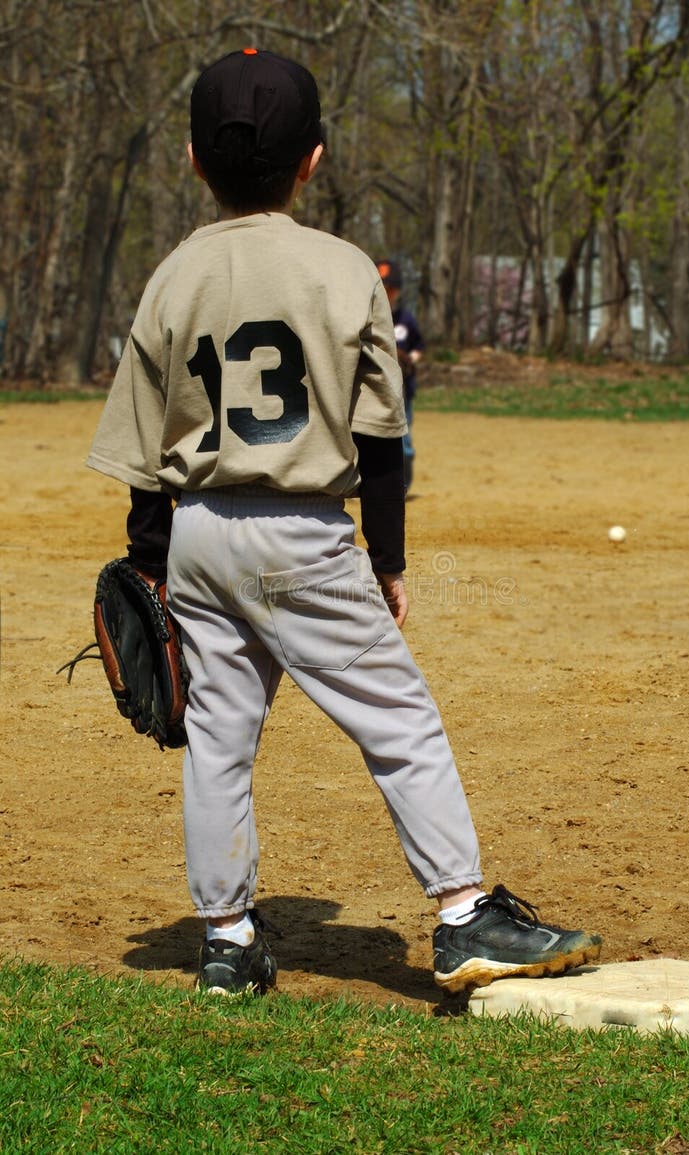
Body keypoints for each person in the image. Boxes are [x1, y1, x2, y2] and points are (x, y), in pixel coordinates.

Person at [86, 47, 602, 997]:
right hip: (303, 537)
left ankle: (229, 941)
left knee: (218, 742)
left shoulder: (171, 275)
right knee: (399, 720)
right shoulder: (345, 269)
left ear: (195, 163)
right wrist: (390, 558)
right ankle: (460, 915)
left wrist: (152, 563)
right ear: (312, 160)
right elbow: (382, 441)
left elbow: (146, 458)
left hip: (198, 530)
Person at [375, 259, 423, 494]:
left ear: (398, 291)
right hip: (376, 389)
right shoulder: (369, 318)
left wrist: (411, 359)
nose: (386, 293)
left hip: (403, 391)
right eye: (382, 288)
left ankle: (403, 479)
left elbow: (418, 345)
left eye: (390, 289)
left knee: (403, 439)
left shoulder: (405, 319)